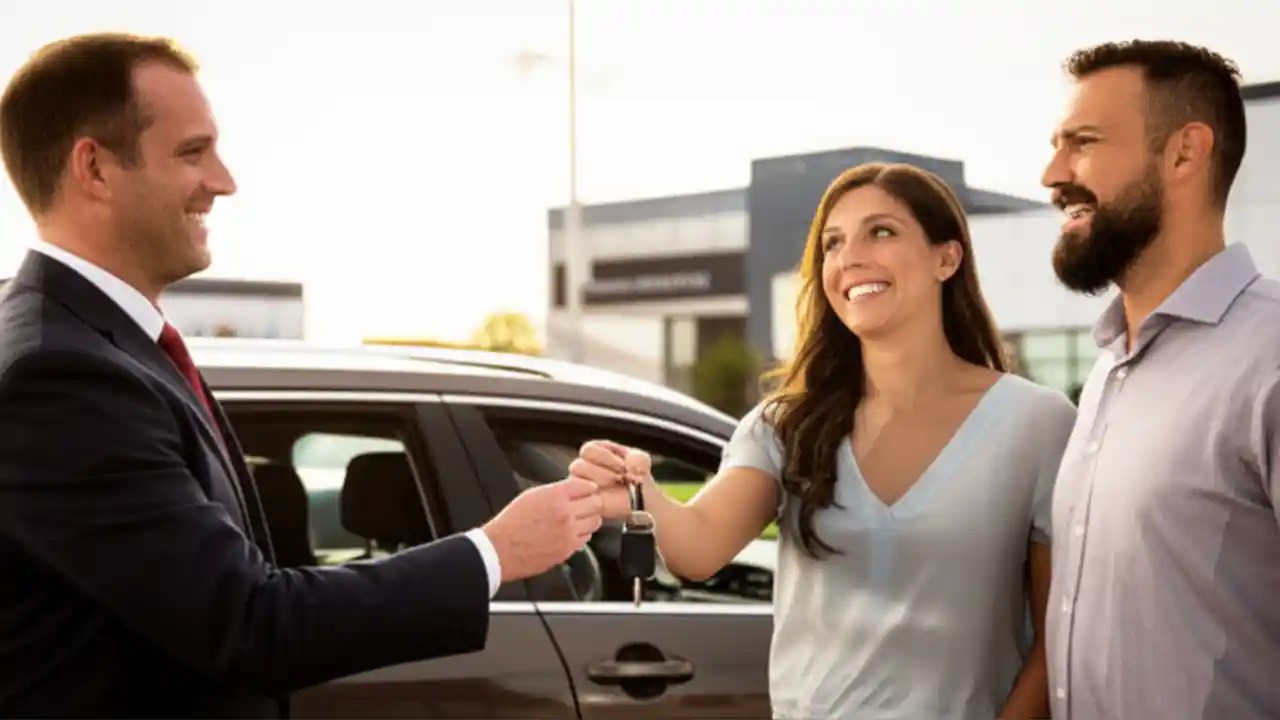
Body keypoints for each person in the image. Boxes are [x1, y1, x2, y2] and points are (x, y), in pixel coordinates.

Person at [0, 33, 603, 717]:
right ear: (95, 168)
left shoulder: (94, 344)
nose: (224, 181)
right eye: (192, 152)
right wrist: (494, 551)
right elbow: (251, 623)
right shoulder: (63, 376)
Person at [572, 161, 1077, 719]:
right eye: (833, 243)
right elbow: (698, 549)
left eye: (881, 231)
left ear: (947, 258)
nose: (850, 257)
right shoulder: (784, 426)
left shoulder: (1036, 423)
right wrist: (642, 494)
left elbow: (1059, 637)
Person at [1041, 39, 1280, 719]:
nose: (1052, 174)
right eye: (1056, 146)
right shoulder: (1109, 367)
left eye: (1083, 142)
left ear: (1184, 153)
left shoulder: (1270, 357)